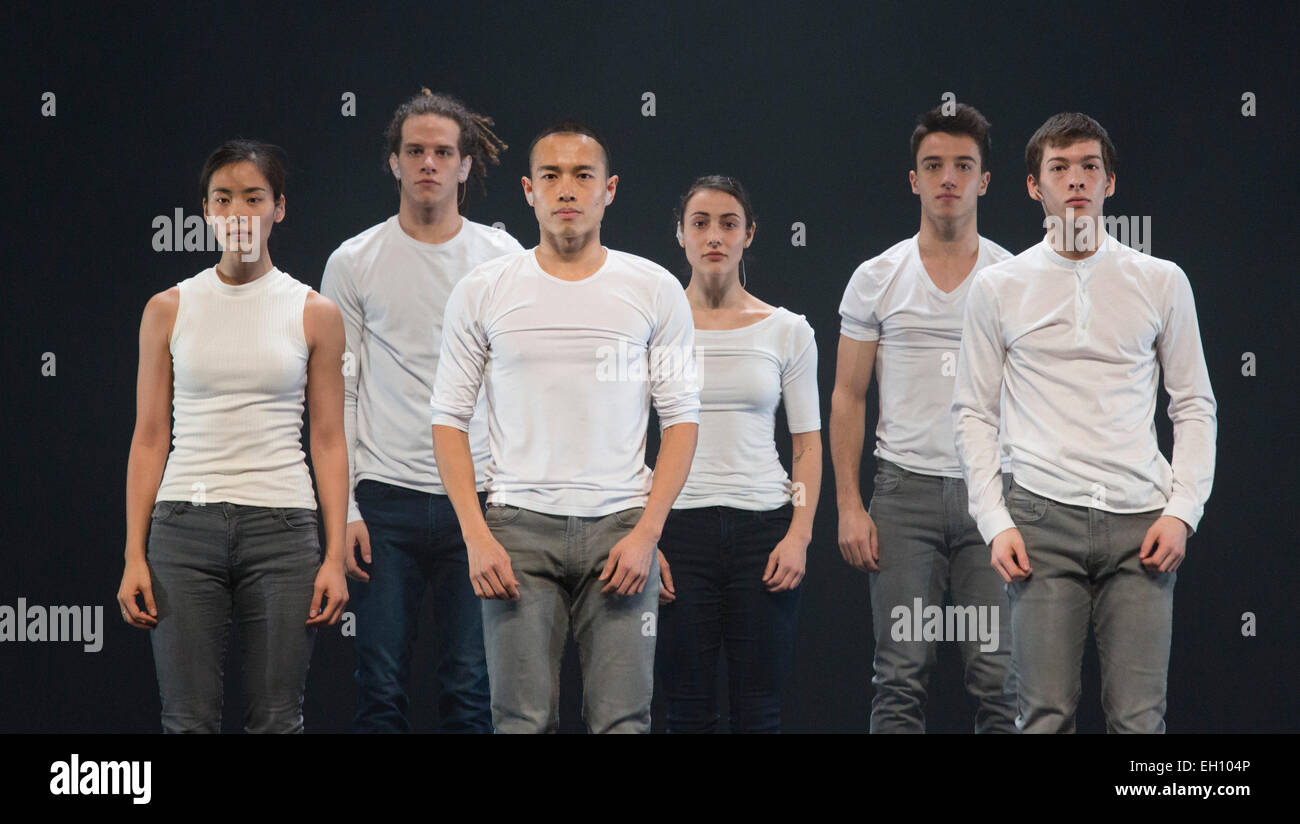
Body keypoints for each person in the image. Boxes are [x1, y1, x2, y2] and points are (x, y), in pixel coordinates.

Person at [430, 121, 700, 733]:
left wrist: (648, 534)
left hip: (622, 531)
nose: (567, 189)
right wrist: (475, 534)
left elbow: (682, 420)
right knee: (520, 723)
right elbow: (447, 419)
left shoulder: (655, 289)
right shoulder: (482, 291)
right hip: (516, 532)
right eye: (551, 176)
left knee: (624, 723)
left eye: (583, 175)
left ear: (610, 190)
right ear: (529, 190)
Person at [952, 112, 1217, 733]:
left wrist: (1183, 511)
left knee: (1139, 719)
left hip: (1141, 522)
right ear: (1033, 186)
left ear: (1110, 183)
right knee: (1043, 717)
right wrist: (994, 521)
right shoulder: (998, 287)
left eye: (1089, 167)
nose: (1076, 179)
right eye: (1060, 167)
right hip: (1042, 518)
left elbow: (1194, 405)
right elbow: (972, 412)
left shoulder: (1160, 281)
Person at [116, 139, 350, 733]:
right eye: (225, 199)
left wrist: (334, 556)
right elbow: (149, 437)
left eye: (254, 197)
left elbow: (327, 438)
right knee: (187, 721)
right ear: (206, 212)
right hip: (182, 532)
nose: (239, 213)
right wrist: (133, 554)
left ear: (279, 209)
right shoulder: (168, 308)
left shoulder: (313, 311)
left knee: (277, 720)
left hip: (284, 530)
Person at [321, 89, 522, 733]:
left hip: (481, 503)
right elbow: (338, 396)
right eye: (415, 151)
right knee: (379, 689)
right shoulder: (354, 262)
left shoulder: (503, 259)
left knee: (471, 688)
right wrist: (347, 508)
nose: (428, 163)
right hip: (385, 505)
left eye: (442, 152)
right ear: (394, 162)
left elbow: (519, 386)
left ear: (466, 165)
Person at [831, 104, 1017, 733]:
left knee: (999, 679)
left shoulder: (1014, 279)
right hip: (902, 496)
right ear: (913, 179)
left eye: (964, 166)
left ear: (984, 181)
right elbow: (849, 396)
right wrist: (850, 506)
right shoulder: (876, 278)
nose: (948, 179)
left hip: (993, 496)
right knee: (899, 676)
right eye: (933, 165)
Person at [655, 175, 822, 733]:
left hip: (764, 533)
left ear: (749, 234)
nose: (714, 236)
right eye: (700, 223)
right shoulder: (651, 327)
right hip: (676, 532)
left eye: (729, 223)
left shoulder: (788, 330)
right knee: (686, 710)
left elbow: (805, 443)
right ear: (680, 234)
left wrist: (798, 534)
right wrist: (642, 536)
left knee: (760, 711)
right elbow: (627, 438)